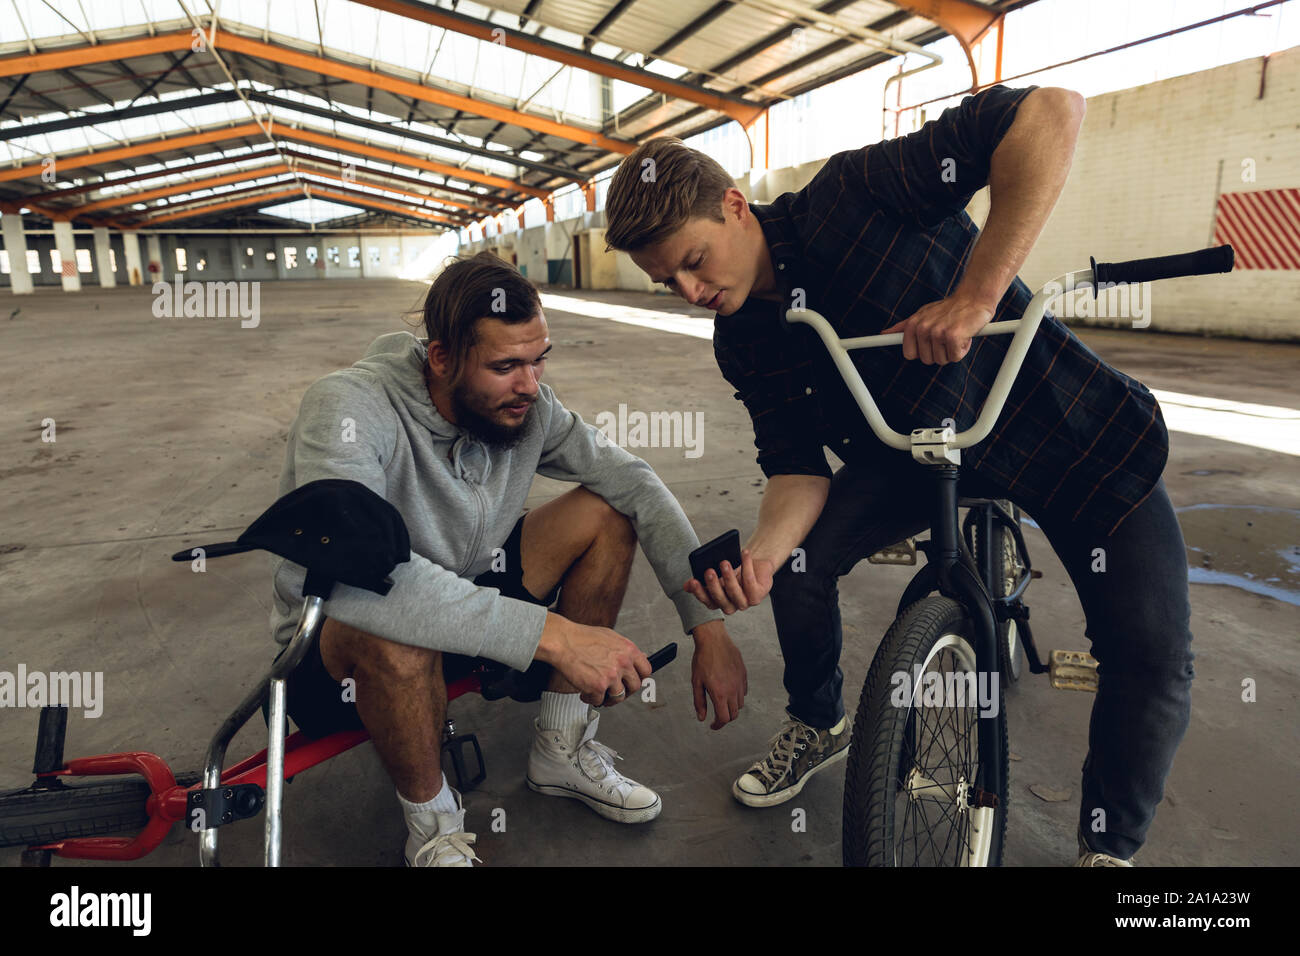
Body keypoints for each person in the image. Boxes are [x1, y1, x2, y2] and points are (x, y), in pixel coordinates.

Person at [602, 85, 1194, 867]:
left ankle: (1108, 845)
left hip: (1056, 425)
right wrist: (767, 557)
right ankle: (822, 722)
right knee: (800, 569)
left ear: (735, 207)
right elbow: (794, 468)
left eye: (692, 262)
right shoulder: (743, 335)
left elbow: (1050, 111)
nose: (689, 292)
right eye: (665, 283)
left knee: (1150, 652)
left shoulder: (856, 196)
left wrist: (976, 296)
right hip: (917, 452)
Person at [268, 252, 747, 866]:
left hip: (468, 597)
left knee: (606, 510)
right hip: (330, 652)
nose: (530, 384)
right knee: (392, 625)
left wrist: (707, 622)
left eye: (538, 358)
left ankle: (561, 749)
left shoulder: (530, 406)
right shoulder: (350, 409)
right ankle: (435, 828)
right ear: (441, 357)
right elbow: (357, 579)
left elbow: (634, 481)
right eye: (505, 365)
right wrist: (555, 637)